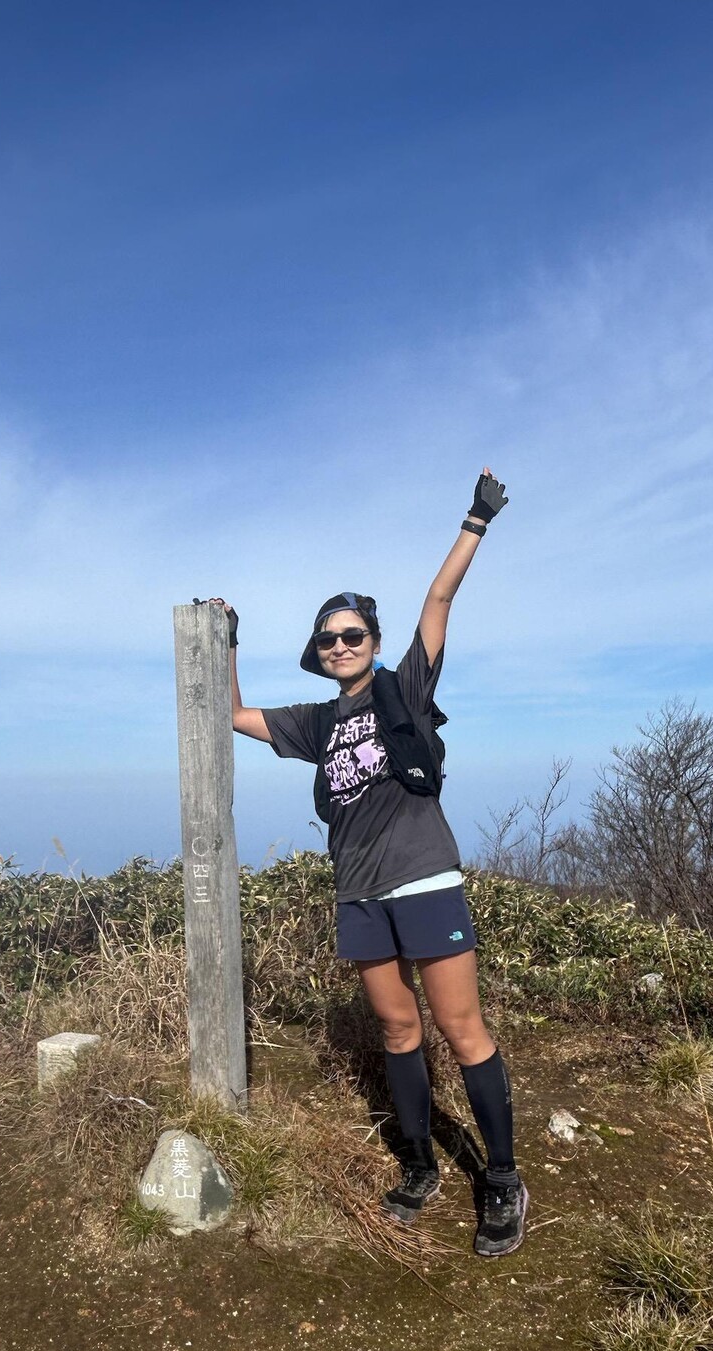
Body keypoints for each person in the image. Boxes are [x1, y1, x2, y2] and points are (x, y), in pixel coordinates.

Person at [213, 469, 527, 1258]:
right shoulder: (317, 720)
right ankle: (420, 1165)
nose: (343, 646)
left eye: (354, 635)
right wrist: (228, 641)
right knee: (395, 1027)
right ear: (318, 655)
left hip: (423, 875)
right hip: (358, 892)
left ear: (374, 645)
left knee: (460, 1028)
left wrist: (476, 520)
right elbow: (230, 714)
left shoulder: (405, 690)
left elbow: (439, 602)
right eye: (329, 639)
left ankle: (502, 1179)